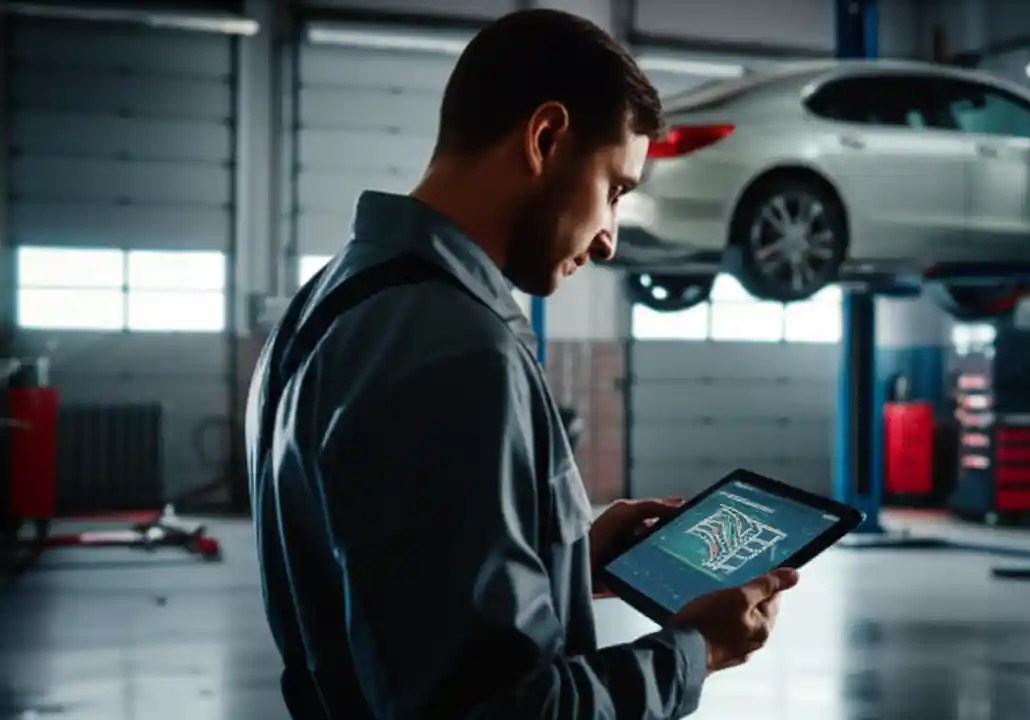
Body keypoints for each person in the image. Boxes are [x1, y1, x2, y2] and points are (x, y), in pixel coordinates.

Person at [245, 8, 799, 719]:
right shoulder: (454, 350)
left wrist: (568, 557)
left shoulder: (332, 301)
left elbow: (387, 588)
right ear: (545, 138)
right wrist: (692, 653)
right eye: (616, 190)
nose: (608, 240)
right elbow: (497, 710)